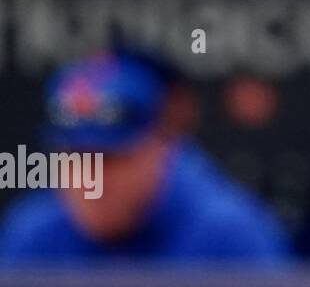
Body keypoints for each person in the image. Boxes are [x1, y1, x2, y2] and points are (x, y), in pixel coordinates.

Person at [0, 49, 289, 266]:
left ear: (162, 145)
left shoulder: (229, 235)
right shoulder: (32, 233)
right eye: (76, 160)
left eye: (108, 160)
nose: (90, 183)